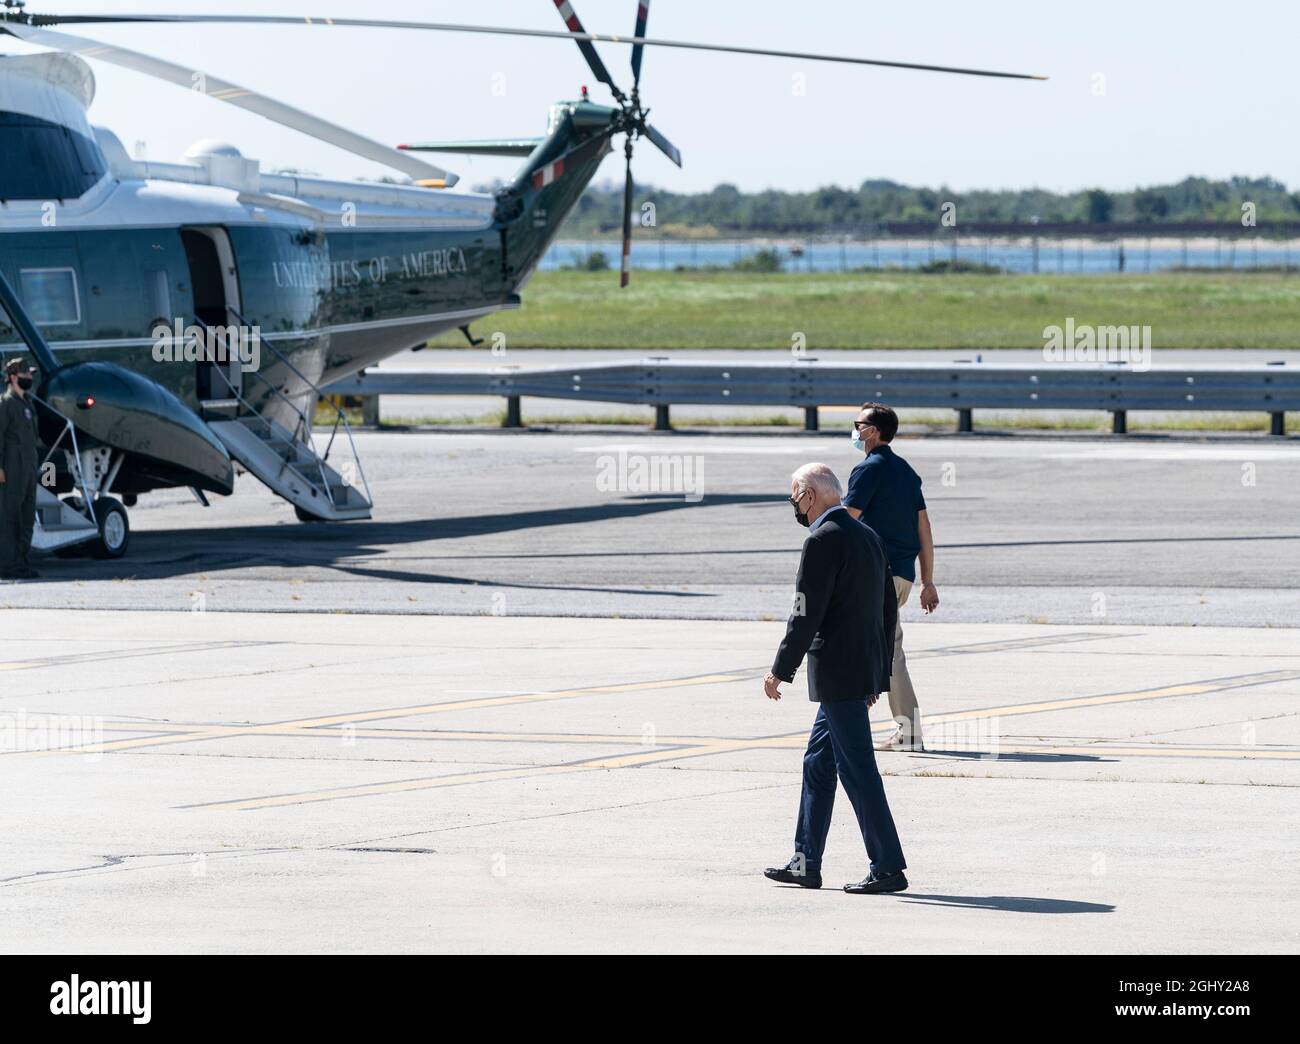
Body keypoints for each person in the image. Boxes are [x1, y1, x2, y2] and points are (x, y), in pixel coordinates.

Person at [763, 463, 908, 895]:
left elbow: (805, 611)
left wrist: (780, 669)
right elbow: (887, 614)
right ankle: (805, 861)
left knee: (858, 768)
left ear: (809, 495)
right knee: (818, 764)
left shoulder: (822, 539)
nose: (795, 506)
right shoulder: (868, 536)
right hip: (857, 671)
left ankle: (887, 865)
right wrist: (878, 676)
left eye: (794, 497)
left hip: (837, 675)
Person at [844, 402, 938, 752]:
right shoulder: (905, 471)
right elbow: (924, 528)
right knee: (884, 646)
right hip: (902, 575)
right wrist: (928, 580)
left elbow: (846, 520)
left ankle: (899, 729)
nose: (855, 429)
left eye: (859, 424)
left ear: (874, 431)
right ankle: (900, 727)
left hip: (874, 574)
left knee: (880, 649)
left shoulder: (867, 470)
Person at [0, 357, 41, 580]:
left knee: (27, 516)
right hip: (12, 466)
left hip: (28, 466)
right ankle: (7, 565)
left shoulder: (27, 403)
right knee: (10, 517)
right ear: (14, 377)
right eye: (26, 375)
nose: (30, 378)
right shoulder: (5, 403)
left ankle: (22, 563)